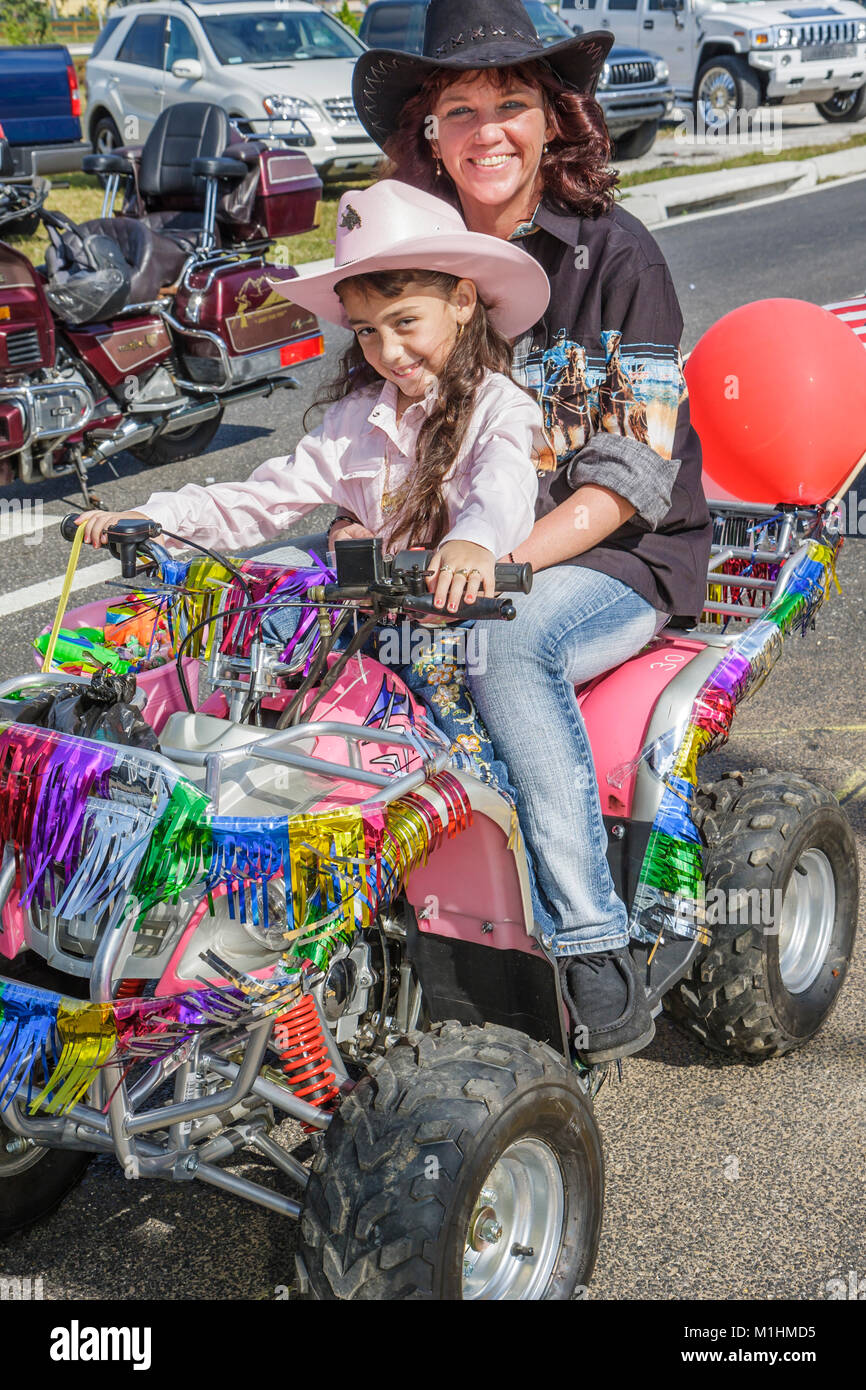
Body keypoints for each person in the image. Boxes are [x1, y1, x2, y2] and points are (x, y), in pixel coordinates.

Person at [351, 0, 714, 1063]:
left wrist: (493, 563)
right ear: (426, 135)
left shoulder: (616, 255)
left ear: (556, 120)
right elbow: (358, 424)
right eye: (457, 109)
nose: (485, 131)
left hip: (614, 555)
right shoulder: (410, 257)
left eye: (511, 102)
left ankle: (590, 940)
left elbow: (627, 477)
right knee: (286, 608)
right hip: (455, 540)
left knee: (503, 635)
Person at [76, 179, 550, 624]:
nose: (388, 352)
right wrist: (155, 518)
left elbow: (504, 484)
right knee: (251, 600)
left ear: (463, 301)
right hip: (373, 618)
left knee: (504, 683)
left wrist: (473, 542)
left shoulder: (501, 407)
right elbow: (263, 499)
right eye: (367, 330)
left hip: (461, 617)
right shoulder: (355, 416)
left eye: (405, 322)